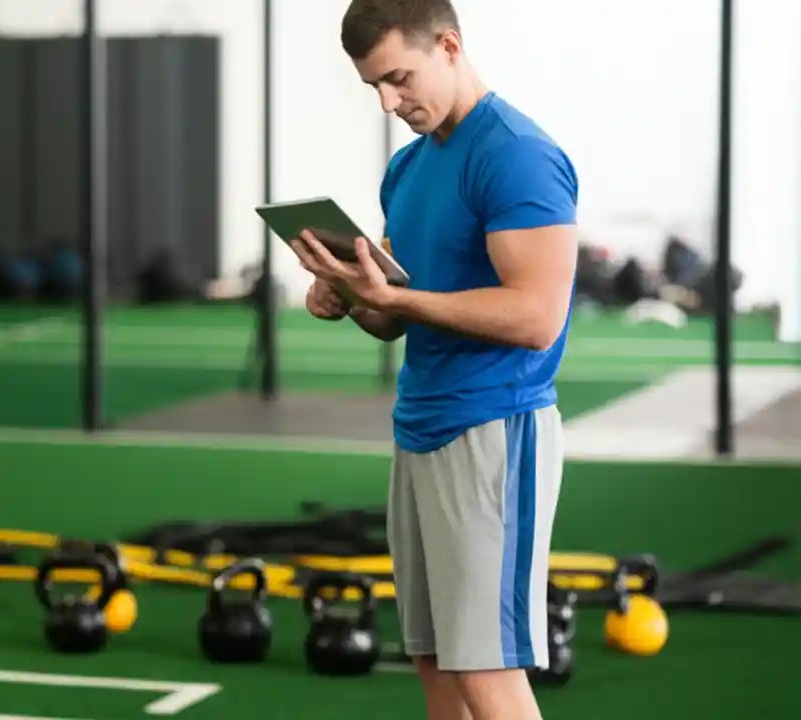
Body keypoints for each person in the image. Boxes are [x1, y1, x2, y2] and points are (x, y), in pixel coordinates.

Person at [288, 2, 579, 719]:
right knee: (435, 658)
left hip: (495, 431)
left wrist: (401, 302)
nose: (390, 103)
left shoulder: (516, 154)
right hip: (419, 428)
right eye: (374, 89)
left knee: (485, 669)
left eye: (399, 79)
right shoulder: (408, 168)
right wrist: (350, 295)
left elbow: (536, 317)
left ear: (449, 46)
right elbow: (394, 316)